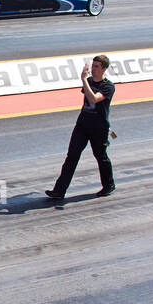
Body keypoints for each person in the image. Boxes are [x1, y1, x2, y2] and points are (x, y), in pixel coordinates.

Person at [47, 55, 115, 201]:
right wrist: (86, 81)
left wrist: (84, 80)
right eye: (93, 65)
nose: (93, 69)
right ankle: (59, 191)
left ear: (104, 68)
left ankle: (109, 185)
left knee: (101, 157)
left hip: (99, 128)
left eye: (97, 66)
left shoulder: (108, 86)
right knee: (71, 156)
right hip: (83, 125)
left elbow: (93, 99)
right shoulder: (90, 81)